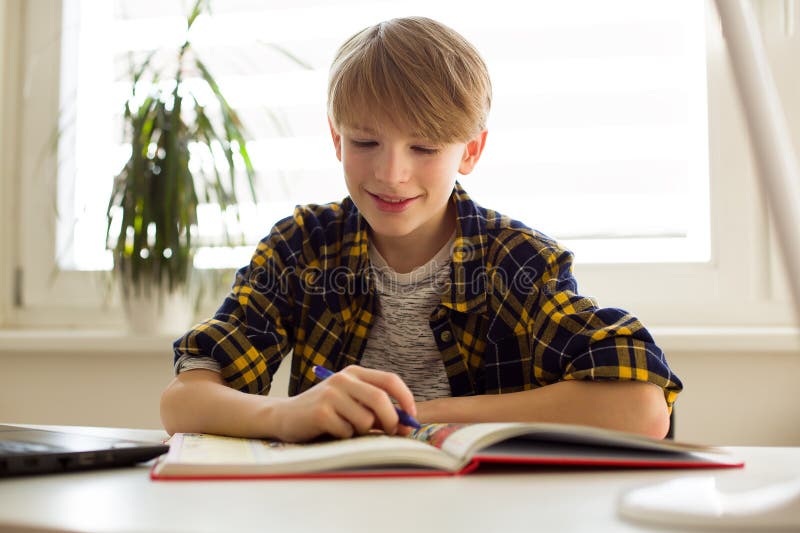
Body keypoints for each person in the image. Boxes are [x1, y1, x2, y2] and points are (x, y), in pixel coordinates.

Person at [160, 16, 683, 443]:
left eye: (425, 148)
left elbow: (640, 407)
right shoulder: (301, 247)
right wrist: (290, 415)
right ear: (336, 139)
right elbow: (183, 401)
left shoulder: (516, 261)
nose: (391, 173)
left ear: (471, 151)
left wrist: (410, 415)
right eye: (365, 142)